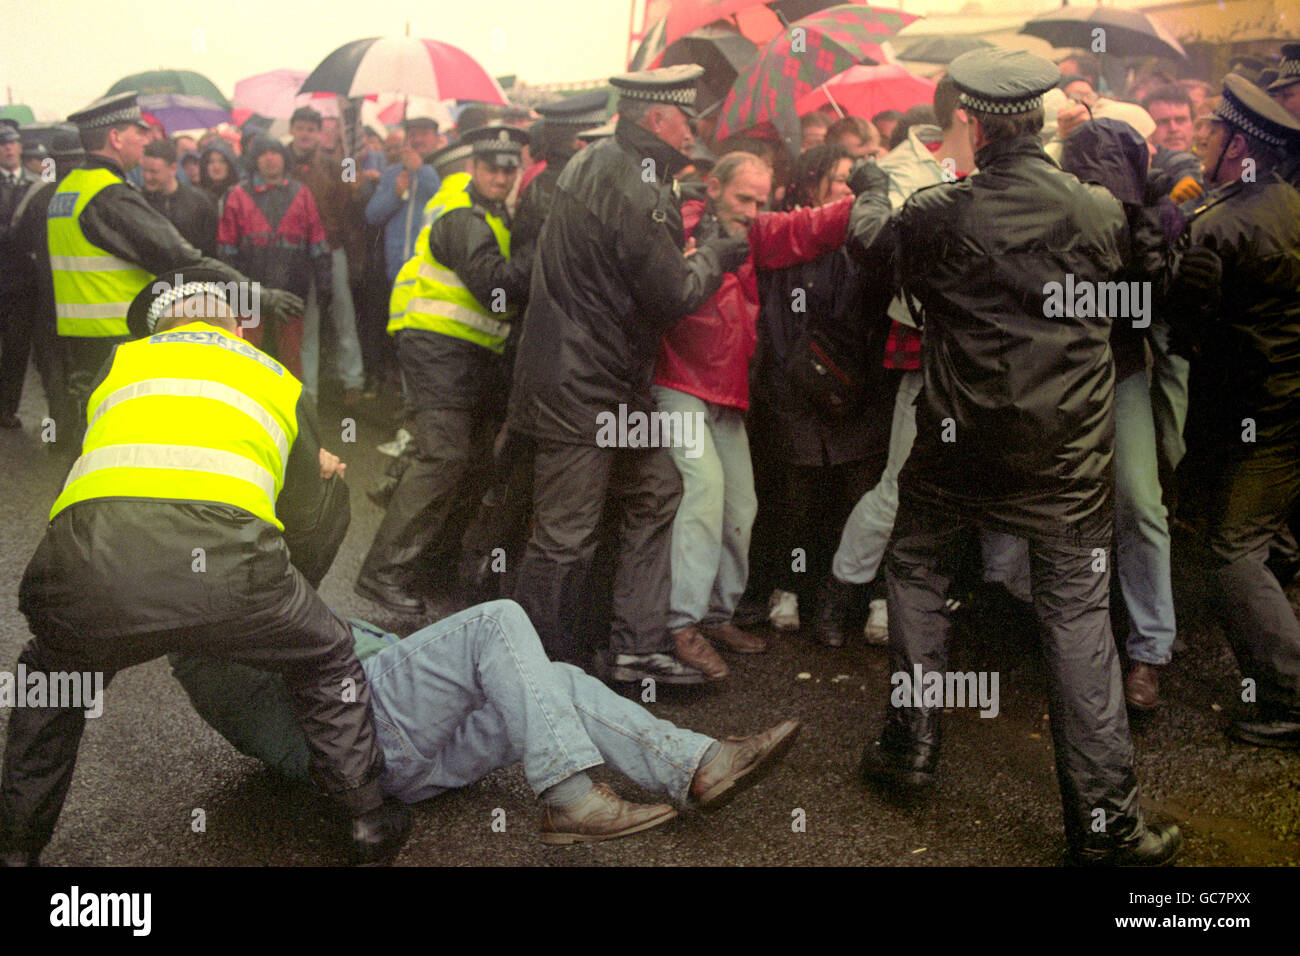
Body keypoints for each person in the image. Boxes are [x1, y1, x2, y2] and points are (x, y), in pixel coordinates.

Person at [849, 49, 1181, 865]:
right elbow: (1145, 281)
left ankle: (911, 749)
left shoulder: (936, 211)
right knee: (1076, 622)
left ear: (972, 122)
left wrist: (868, 184)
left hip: (959, 445)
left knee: (920, 571)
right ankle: (1106, 824)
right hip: (1062, 457)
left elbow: (870, 246)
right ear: (1038, 121)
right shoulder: (1096, 211)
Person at [0, 277, 413, 867]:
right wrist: (276, 604)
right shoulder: (276, 378)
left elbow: (80, 473)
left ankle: (16, 849)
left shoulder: (121, 365)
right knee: (325, 655)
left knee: (53, 684)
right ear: (237, 327)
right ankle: (366, 823)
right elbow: (299, 511)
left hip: (92, 578)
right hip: (233, 582)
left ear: (159, 330)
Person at [171, 600, 802, 844]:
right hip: (371, 737)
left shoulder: (242, 603)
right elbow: (307, 713)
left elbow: (305, 541)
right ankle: (570, 797)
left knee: (553, 680)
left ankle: (691, 765)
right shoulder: (212, 642)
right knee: (495, 620)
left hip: (405, 759)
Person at [507, 65, 750, 681]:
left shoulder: (612, 164)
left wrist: (679, 214)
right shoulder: (637, 181)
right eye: (688, 120)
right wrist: (716, 254)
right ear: (657, 119)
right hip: (583, 385)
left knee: (657, 487)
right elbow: (670, 292)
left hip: (595, 380)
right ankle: (532, 668)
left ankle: (635, 646)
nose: (696, 131)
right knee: (567, 533)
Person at [652, 152, 858, 678]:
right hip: (676, 378)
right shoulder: (679, 223)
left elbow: (806, 227)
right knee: (702, 493)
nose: (752, 210)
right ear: (715, 186)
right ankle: (681, 625)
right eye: (744, 198)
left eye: (760, 201)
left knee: (741, 502)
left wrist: (868, 198)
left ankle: (717, 613)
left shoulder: (748, 234)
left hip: (725, 390)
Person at [816, 76, 976, 647]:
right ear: (962, 112)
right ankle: (844, 595)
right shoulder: (901, 169)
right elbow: (881, 244)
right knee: (899, 484)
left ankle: (944, 611)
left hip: (985, 346)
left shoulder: (993, 160)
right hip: (928, 338)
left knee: (973, 490)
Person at [1171, 74, 1300, 749]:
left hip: (1261, 414)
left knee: (1232, 551)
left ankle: (1288, 696)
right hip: (1284, 405)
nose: (1200, 139)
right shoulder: (1289, 204)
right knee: (1269, 532)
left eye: (1211, 132)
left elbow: (1178, 325)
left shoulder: (1222, 226)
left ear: (1239, 143)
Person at [356, 126, 533, 616]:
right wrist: (545, 256)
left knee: (467, 459)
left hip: (461, 350)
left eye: (508, 168)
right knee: (444, 457)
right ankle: (383, 574)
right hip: (439, 347)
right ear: (474, 168)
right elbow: (492, 285)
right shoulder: (463, 215)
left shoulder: (491, 213)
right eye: (492, 167)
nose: (501, 176)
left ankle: (426, 566)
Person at [46, 93, 277, 453]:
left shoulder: (70, 188)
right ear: (116, 138)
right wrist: (256, 295)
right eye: (139, 131)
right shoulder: (110, 195)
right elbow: (180, 257)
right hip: (120, 339)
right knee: (132, 443)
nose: (146, 139)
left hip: (82, 341)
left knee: (98, 440)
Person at [746, 144, 894, 636]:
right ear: (812, 187)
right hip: (797, 392)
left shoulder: (868, 242)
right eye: (840, 180)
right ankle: (789, 588)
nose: (849, 191)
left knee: (863, 498)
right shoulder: (788, 240)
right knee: (798, 501)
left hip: (858, 390)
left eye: (857, 181)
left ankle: (868, 598)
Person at [216, 134, 329, 383]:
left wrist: (324, 280)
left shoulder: (301, 193)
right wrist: (233, 287)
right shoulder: (237, 195)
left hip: (292, 286)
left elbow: (317, 240)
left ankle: (296, 413)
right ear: (254, 160)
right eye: (263, 153)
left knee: (292, 356)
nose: (270, 159)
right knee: (246, 352)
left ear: (283, 158)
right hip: (249, 289)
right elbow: (226, 246)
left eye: (274, 152)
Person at [285, 106, 366, 405]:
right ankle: (309, 393)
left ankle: (353, 380)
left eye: (311, 128)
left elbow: (347, 213)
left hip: (332, 250)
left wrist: (353, 256)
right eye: (301, 127)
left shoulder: (335, 166)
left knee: (343, 315)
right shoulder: (281, 164)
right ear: (292, 129)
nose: (305, 134)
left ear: (319, 134)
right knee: (307, 322)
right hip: (297, 255)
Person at [366, 116, 443, 287]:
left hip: (433, 272)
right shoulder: (392, 173)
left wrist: (421, 170)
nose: (417, 139)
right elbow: (372, 215)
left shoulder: (445, 168)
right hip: (397, 272)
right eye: (413, 134)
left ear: (437, 139)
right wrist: (395, 194)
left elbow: (445, 204)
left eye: (424, 134)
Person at [0, 118, 42, 429]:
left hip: (23, 280)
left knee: (17, 347)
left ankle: (7, 409)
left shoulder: (34, 182)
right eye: (3, 143)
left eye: (13, 142)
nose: (9, 148)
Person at [140, 139, 217, 256]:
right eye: (144, 170)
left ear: (173, 169)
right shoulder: (138, 201)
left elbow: (210, 248)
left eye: (154, 172)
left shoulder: (198, 201)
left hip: (186, 272)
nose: (147, 177)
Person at [198, 138, 240, 213]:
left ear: (229, 164)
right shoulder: (198, 197)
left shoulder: (240, 194)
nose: (216, 167)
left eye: (222, 161)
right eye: (211, 162)